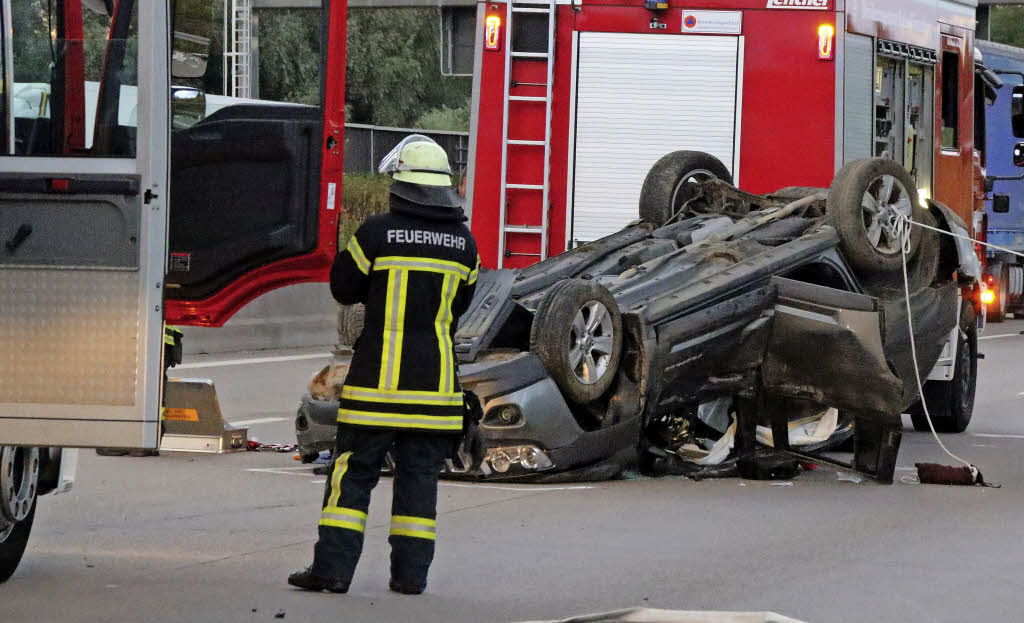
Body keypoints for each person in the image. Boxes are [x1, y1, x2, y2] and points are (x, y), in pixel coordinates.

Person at [289, 135, 480, 595]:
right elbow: (460, 308)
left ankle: (332, 572)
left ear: (401, 185)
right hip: (435, 394)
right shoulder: (465, 246)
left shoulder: (376, 233)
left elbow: (344, 287)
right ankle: (410, 579)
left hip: (375, 390)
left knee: (352, 480)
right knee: (419, 485)